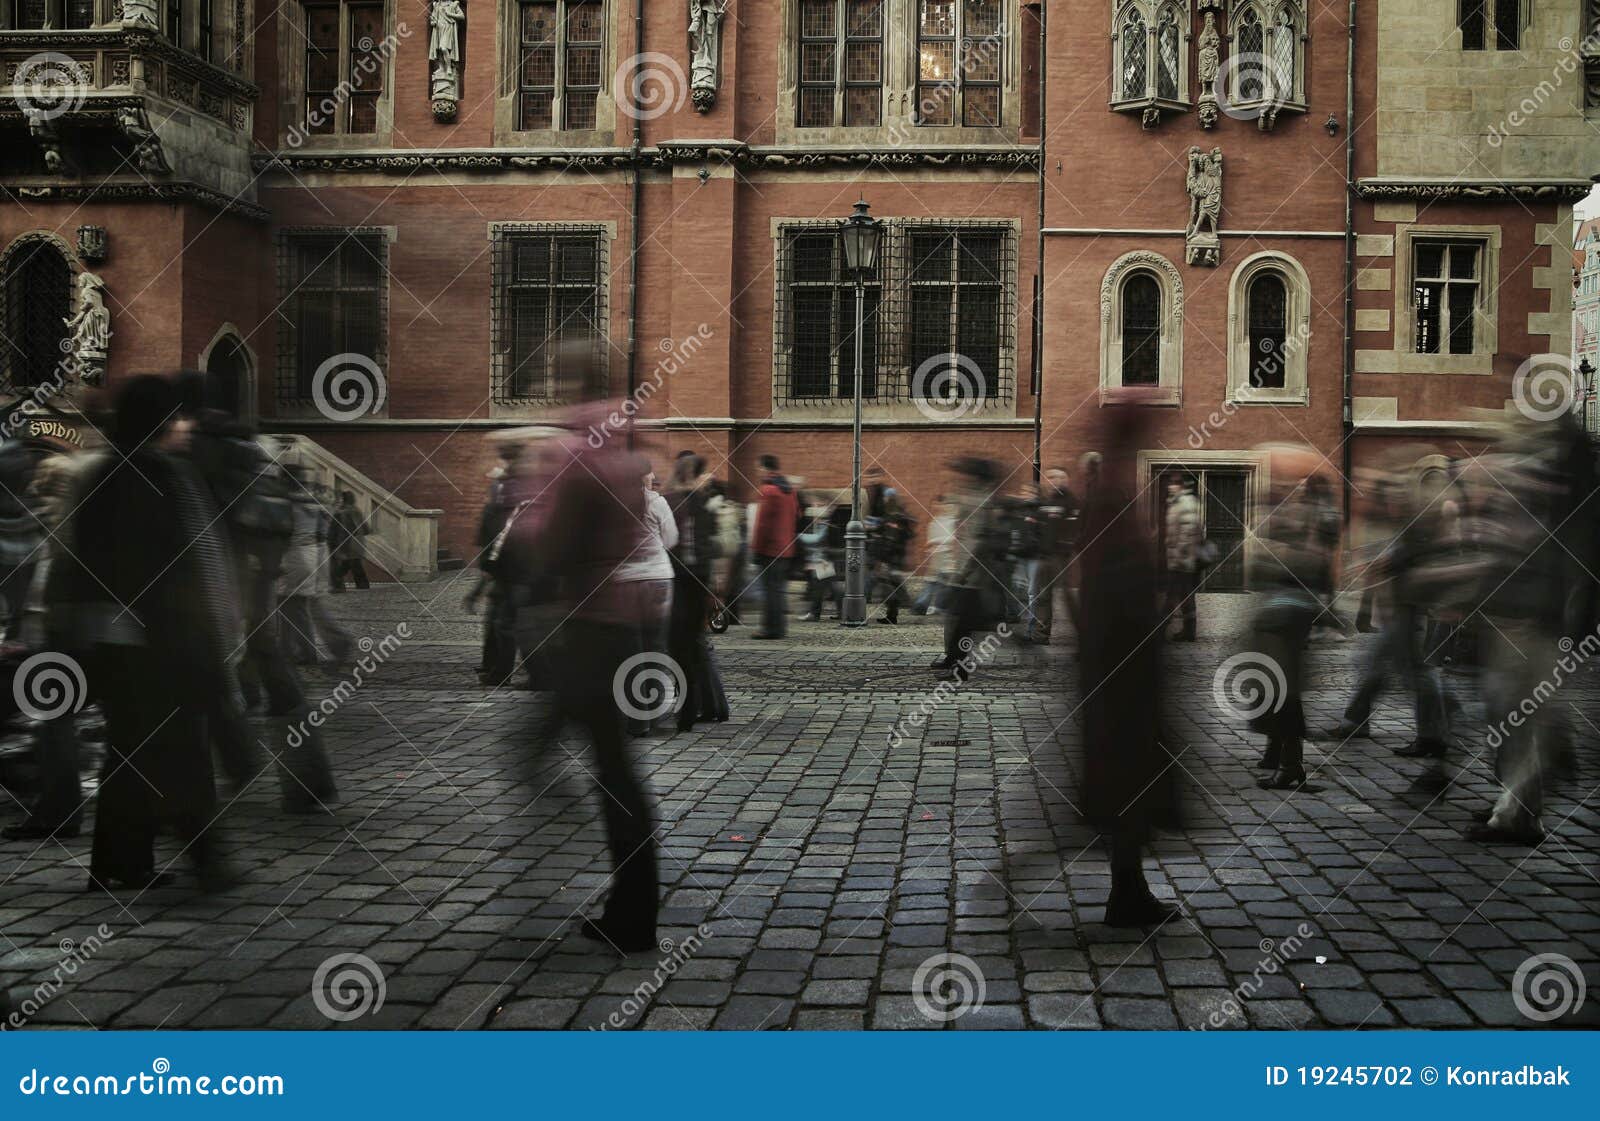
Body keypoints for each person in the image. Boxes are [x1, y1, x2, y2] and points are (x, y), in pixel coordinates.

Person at [47, 375, 238, 892]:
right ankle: (200, 858)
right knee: (176, 751)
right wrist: (214, 641)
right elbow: (193, 566)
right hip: (158, 641)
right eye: (178, 417)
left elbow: (72, 558)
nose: (187, 426)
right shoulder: (168, 477)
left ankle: (122, 863)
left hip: (110, 639)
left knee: (130, 752)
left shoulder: (101, 474)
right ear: (162, 422)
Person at [510, 348, 659, 952]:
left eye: (555, 379)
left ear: (569, 382)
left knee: (610, 772)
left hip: (587, 626)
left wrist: (527, 520)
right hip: (621, 624)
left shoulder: (574, 455)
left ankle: (631, 914)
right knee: (617, 767)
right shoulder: (627, 451)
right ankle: (633, 905)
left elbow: (550, 547)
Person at [1074, 404, 1182, 926]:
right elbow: (1114, 589)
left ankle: (1130, 889)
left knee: (1127, 788)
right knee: (1129, 784)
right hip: (1122, 674)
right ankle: (1127, 893)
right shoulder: (1112, 494)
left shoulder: (1114, 487)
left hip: (1120, 670)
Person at [1250, 469, 1337, 791]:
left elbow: (1313, 566)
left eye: (1302, 490)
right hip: (1283, 610)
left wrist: (1274, 557)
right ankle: (1281, 755)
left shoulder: (1318, 522)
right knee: (1277, 685)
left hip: (1292, 611)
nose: (1295, 495)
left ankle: (1290, 764)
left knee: (1284, 690)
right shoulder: (1304, 520)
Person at [615, 460, 677, 736]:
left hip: (625, 581)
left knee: (630, 649)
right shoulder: (656, 502)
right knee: (657, 647)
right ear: (645, 475)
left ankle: (635, 720)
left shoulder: (613, 502)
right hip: (658, 578)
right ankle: (657, 715)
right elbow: (671, 538)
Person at [666, 454, 728, 730]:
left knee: (681, 645)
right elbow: (715, 547)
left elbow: (668, 541)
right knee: (694, 643)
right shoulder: (704, 503)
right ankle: (705, 706)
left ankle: (691, 708)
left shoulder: (670, 500)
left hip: (678, 579)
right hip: (698, 579)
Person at [931, 457, 1006, 683]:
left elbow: (977, 542)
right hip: (967, 571)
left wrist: (963, 571)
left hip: (973, 574)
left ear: (973, 477)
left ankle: (959, 667)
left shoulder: (977, 501)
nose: (955, 480)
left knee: (963, 623)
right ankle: (953, 660)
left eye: (961, 474)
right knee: (958, 619)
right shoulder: (974, 498)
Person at [1026, 467, 1078, 644]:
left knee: (1068, 597)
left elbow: (1076, 531)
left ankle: (1083, 635)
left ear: (1066, 479)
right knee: (1042, 596)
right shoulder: (1042, 502)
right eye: (1051, 477)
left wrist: (1067, 547)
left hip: (1061, 558)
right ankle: (1041, 635)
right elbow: (1034, 527)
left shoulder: (1072, 502)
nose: (1055, 480)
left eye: (1060, 476)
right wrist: (1035, 544)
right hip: (1043, 557)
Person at [750, 453, 799, 639]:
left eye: (758, 468)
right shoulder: (789, 490)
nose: (757, 472)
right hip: (786, 548)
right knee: (778, 590)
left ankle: (769, 629)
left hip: (770, 549)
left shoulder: (768, 491)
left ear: (764, 468)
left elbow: (762, 525)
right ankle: (779, 628)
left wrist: (756, 548)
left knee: (770, 591)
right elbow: (797, 515)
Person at [1163, 476, 1202, 641]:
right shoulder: (1177, 502)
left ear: (1180, 486)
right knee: (1185, 596)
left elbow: (1188, 532)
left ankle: (1159, 630)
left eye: (1173, 484)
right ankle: (1189, 631)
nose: (1170, 487)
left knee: (1172, 596)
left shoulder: (1185, 503)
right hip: (1181, 559)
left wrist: (1179, 555)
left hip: (1182, 560)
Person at [330, 491, 371, 591]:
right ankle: (362, 584)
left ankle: (338, 583)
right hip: (359, 540)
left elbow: (346, 529)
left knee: (348, 563)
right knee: (353, 563)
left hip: (349, 541)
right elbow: (366, 529)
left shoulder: (343, 512)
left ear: (344, 499)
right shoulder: (356, 510)